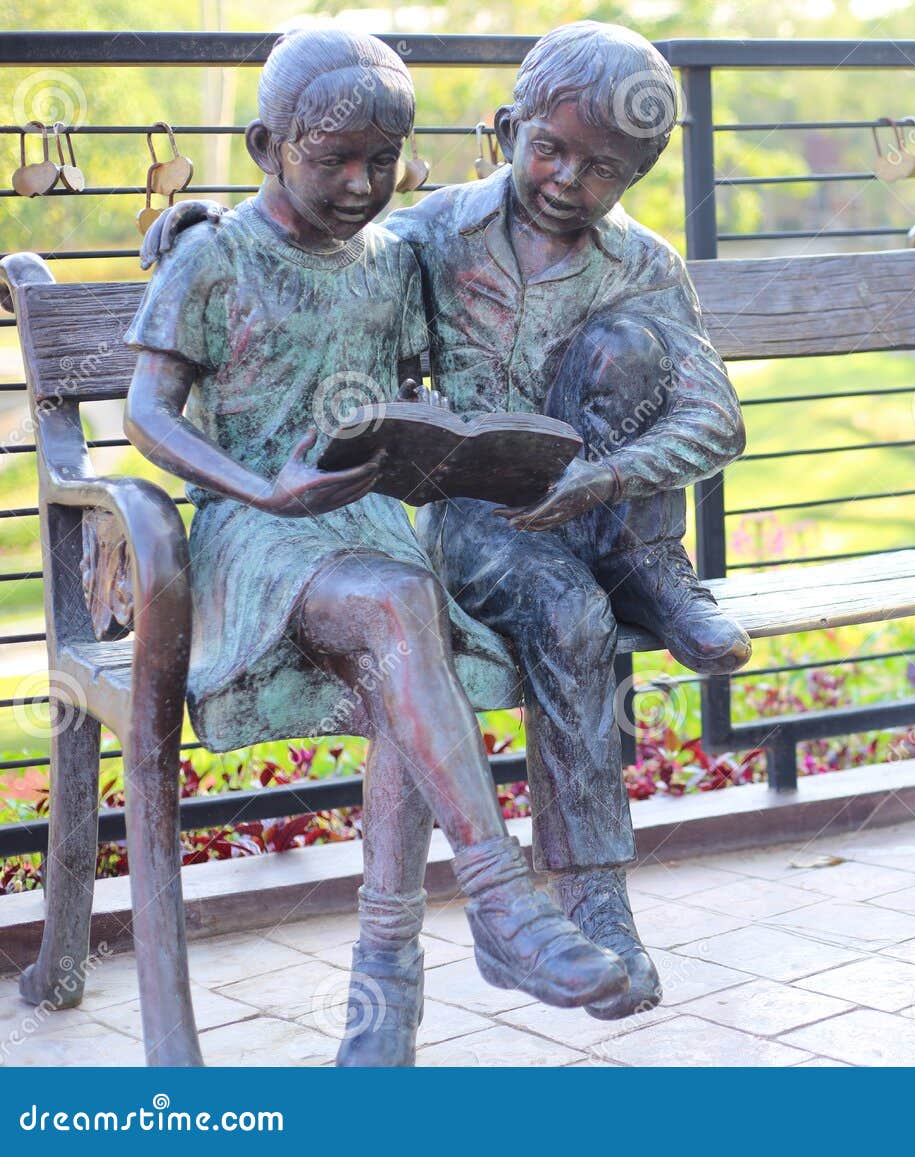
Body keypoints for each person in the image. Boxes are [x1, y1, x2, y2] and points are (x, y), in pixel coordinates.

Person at [122, 28, 625, 1067]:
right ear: (266, 147)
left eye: (384, 160)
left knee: (408, 641)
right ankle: (500, 899)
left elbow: (416, 389)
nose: (361, 184)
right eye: (333, 158)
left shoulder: (395, 260)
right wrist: (263, 485)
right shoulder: (215, 256)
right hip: (256, 530)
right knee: (404, 608)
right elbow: (146, 412)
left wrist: (459, 452)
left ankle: (384, 992)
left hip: (369, 524)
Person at [382, 21, 750, 1021]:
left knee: (634, 347)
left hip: (602, 511)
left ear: (635, 176)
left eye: (604, 170)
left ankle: (650, 567)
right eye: (550, 148)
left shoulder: (644, 263)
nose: (568, 180)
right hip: (484, 520)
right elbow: (316, 256)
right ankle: (591, 899)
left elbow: (716, 418)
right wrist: (205, 228)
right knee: (571, 615)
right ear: (509, 128)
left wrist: (598, 479)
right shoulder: (427, 234)